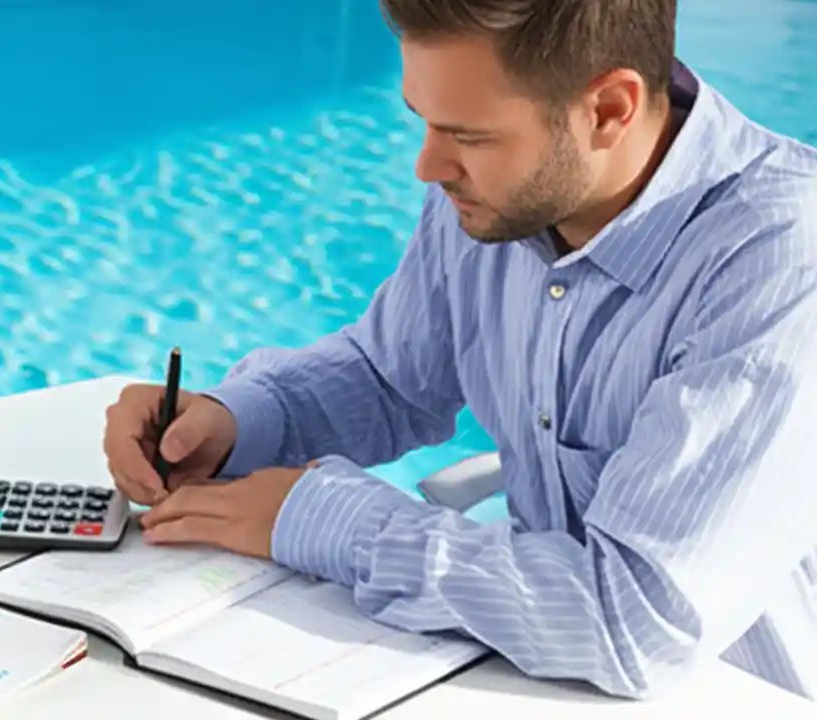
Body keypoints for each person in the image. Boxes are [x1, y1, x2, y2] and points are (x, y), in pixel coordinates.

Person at [102, 0, 817, 703]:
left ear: (608, 109)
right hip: (526, 684)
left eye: (468, 136)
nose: (428, 166)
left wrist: (325, 520)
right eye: (424, 122)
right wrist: (240, 421)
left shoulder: (782, 262)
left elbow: (636, 621)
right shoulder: (503, 191)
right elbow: (392, 376)